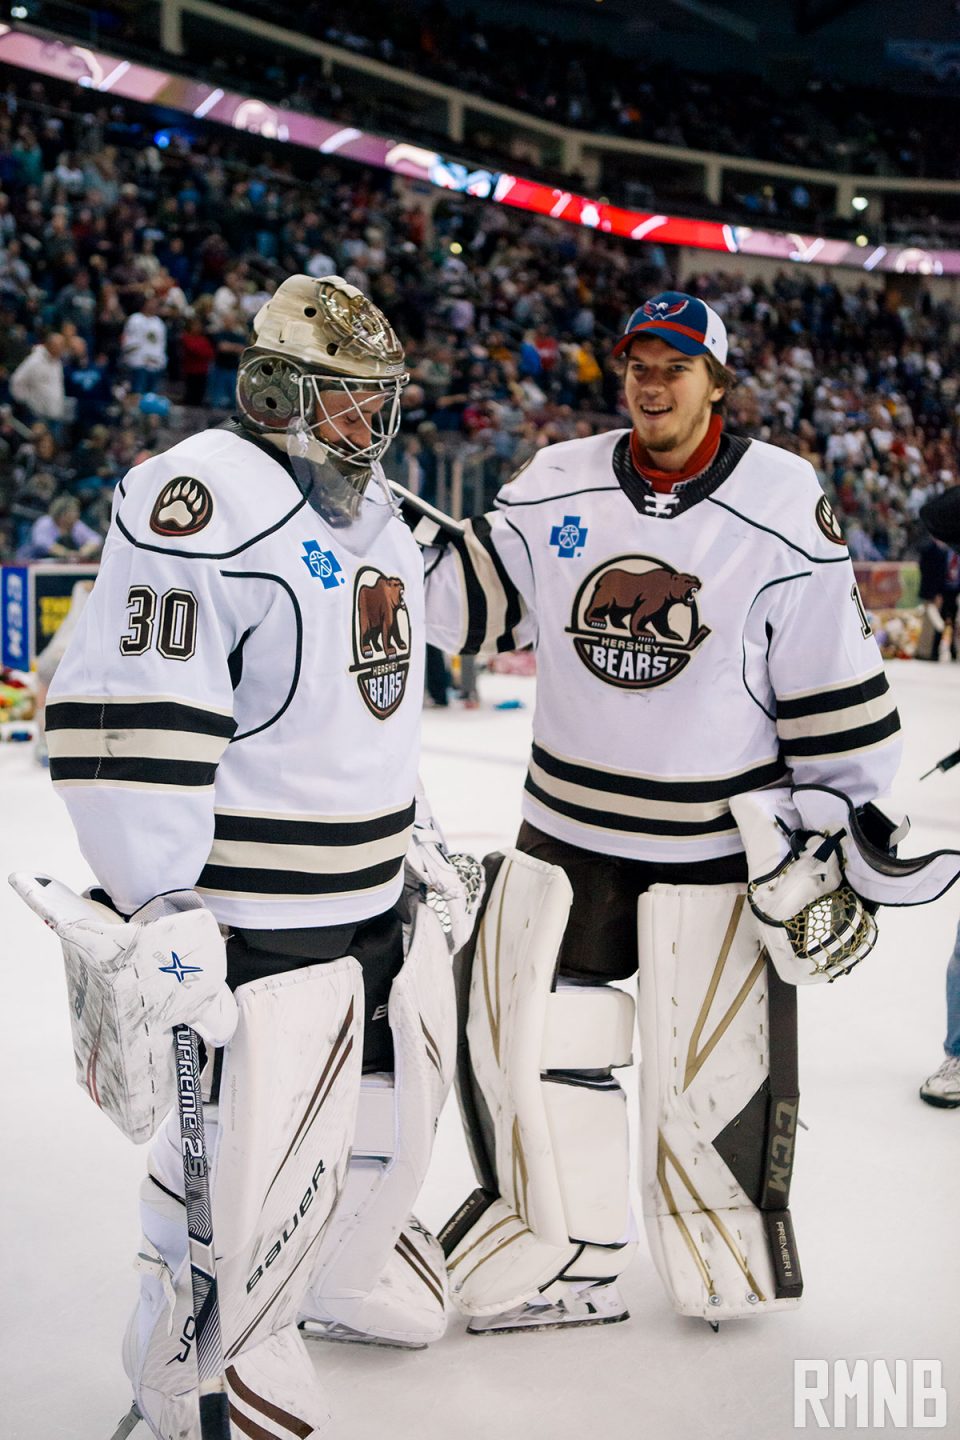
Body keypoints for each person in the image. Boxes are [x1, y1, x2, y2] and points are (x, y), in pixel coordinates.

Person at [414, 291, 959, 1334]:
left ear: (717, 381)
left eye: (675, 364)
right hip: (567, 833)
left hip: (715, 846)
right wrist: (378, 541)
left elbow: (829, 678)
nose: (651, 381)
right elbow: (470, 606)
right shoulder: (558, 479)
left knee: (710, 1065)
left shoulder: (780, 498)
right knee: (537, 1039)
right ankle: (567, 1240)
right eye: (637, 363)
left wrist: (841, 822)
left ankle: (722, 1247)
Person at [34, 276, 479, 1436]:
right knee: (246, 1142)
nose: (367, 430)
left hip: (370, 893)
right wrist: (159, 894)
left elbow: (362, 706)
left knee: (386, 1112)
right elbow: (127, 720)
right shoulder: (201, 498)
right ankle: (192, 1360)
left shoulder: (374, 511)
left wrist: (408, 827)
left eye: (378, 405)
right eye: (343, 403)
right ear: (275, 388)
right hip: (256, 909)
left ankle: (331, 1271)